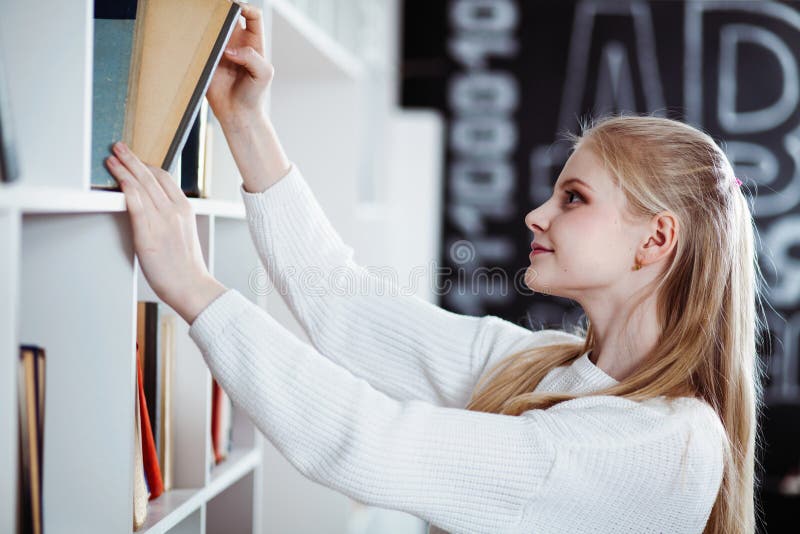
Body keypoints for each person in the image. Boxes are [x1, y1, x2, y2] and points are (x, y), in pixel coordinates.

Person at [103, 4, 767, 533]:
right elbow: (348, 306)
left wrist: (193, 287)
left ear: (655, 240)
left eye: (573, 198)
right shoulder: (546, 366)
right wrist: (244, 122)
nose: (537, 215)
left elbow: (372, 444)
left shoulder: (655, 446)